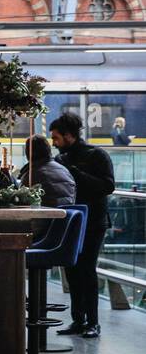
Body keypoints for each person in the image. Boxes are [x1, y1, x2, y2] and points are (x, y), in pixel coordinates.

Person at [51, 112, 116, 339]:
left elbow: (108, 186)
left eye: (57, 138)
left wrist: (78, 174)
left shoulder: (97, 155)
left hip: (93, 222)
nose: (54, 143)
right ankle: (78, 320)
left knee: (87, 270)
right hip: (70, 221)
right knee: (72, 270)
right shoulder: (61, 159)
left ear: (69, 136)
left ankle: (93, 322)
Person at [17, 136, 76, 208]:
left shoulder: (32, 174)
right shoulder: (64, 170)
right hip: (68, 213)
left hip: (46, 213)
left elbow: (21, 200)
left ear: (28, 153)